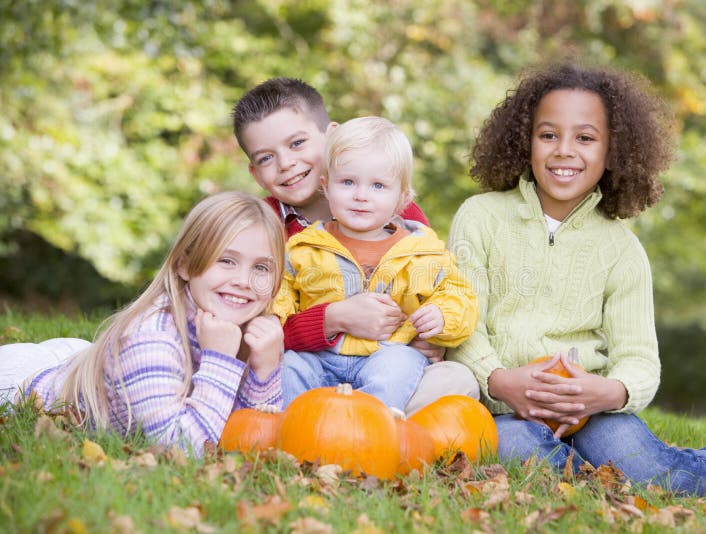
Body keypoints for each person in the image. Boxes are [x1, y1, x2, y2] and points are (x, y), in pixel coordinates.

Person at [447, 61, 706, 498]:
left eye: (586, 138)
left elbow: (640, 361)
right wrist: (499, 381)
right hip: (501, 409)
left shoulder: (622, 250)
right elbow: (459, 323)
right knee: (514, 448)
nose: (564, 151)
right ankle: (596, 484)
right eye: (549, 134)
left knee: (644, 466)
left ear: (612, 150)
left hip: (593, 411)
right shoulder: (480, 218)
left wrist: (609, 392)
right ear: (525, 141)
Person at [231, 78, 480, 413]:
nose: (286, 163)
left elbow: (434, 288)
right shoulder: (262, 229)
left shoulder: (406, 221)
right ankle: (302, 424)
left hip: (388, 359)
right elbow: (258, 326)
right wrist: (333, 318)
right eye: (266, 158)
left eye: (297, 143)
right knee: (283, 370)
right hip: (310, 361)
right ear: (255, 173)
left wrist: (431, 335)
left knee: (455, 380)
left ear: (333, 135)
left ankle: (372, 426)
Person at [0, 191, 286, 456]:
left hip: (85, 362)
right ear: (184, 264)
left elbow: (247, 440)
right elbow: (183, 450)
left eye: (260, 267)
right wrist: (220, 361)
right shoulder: (150, 339)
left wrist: (265, 370)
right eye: (226, 260)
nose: (243, 281)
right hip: (18, 384)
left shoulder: (243, 329)